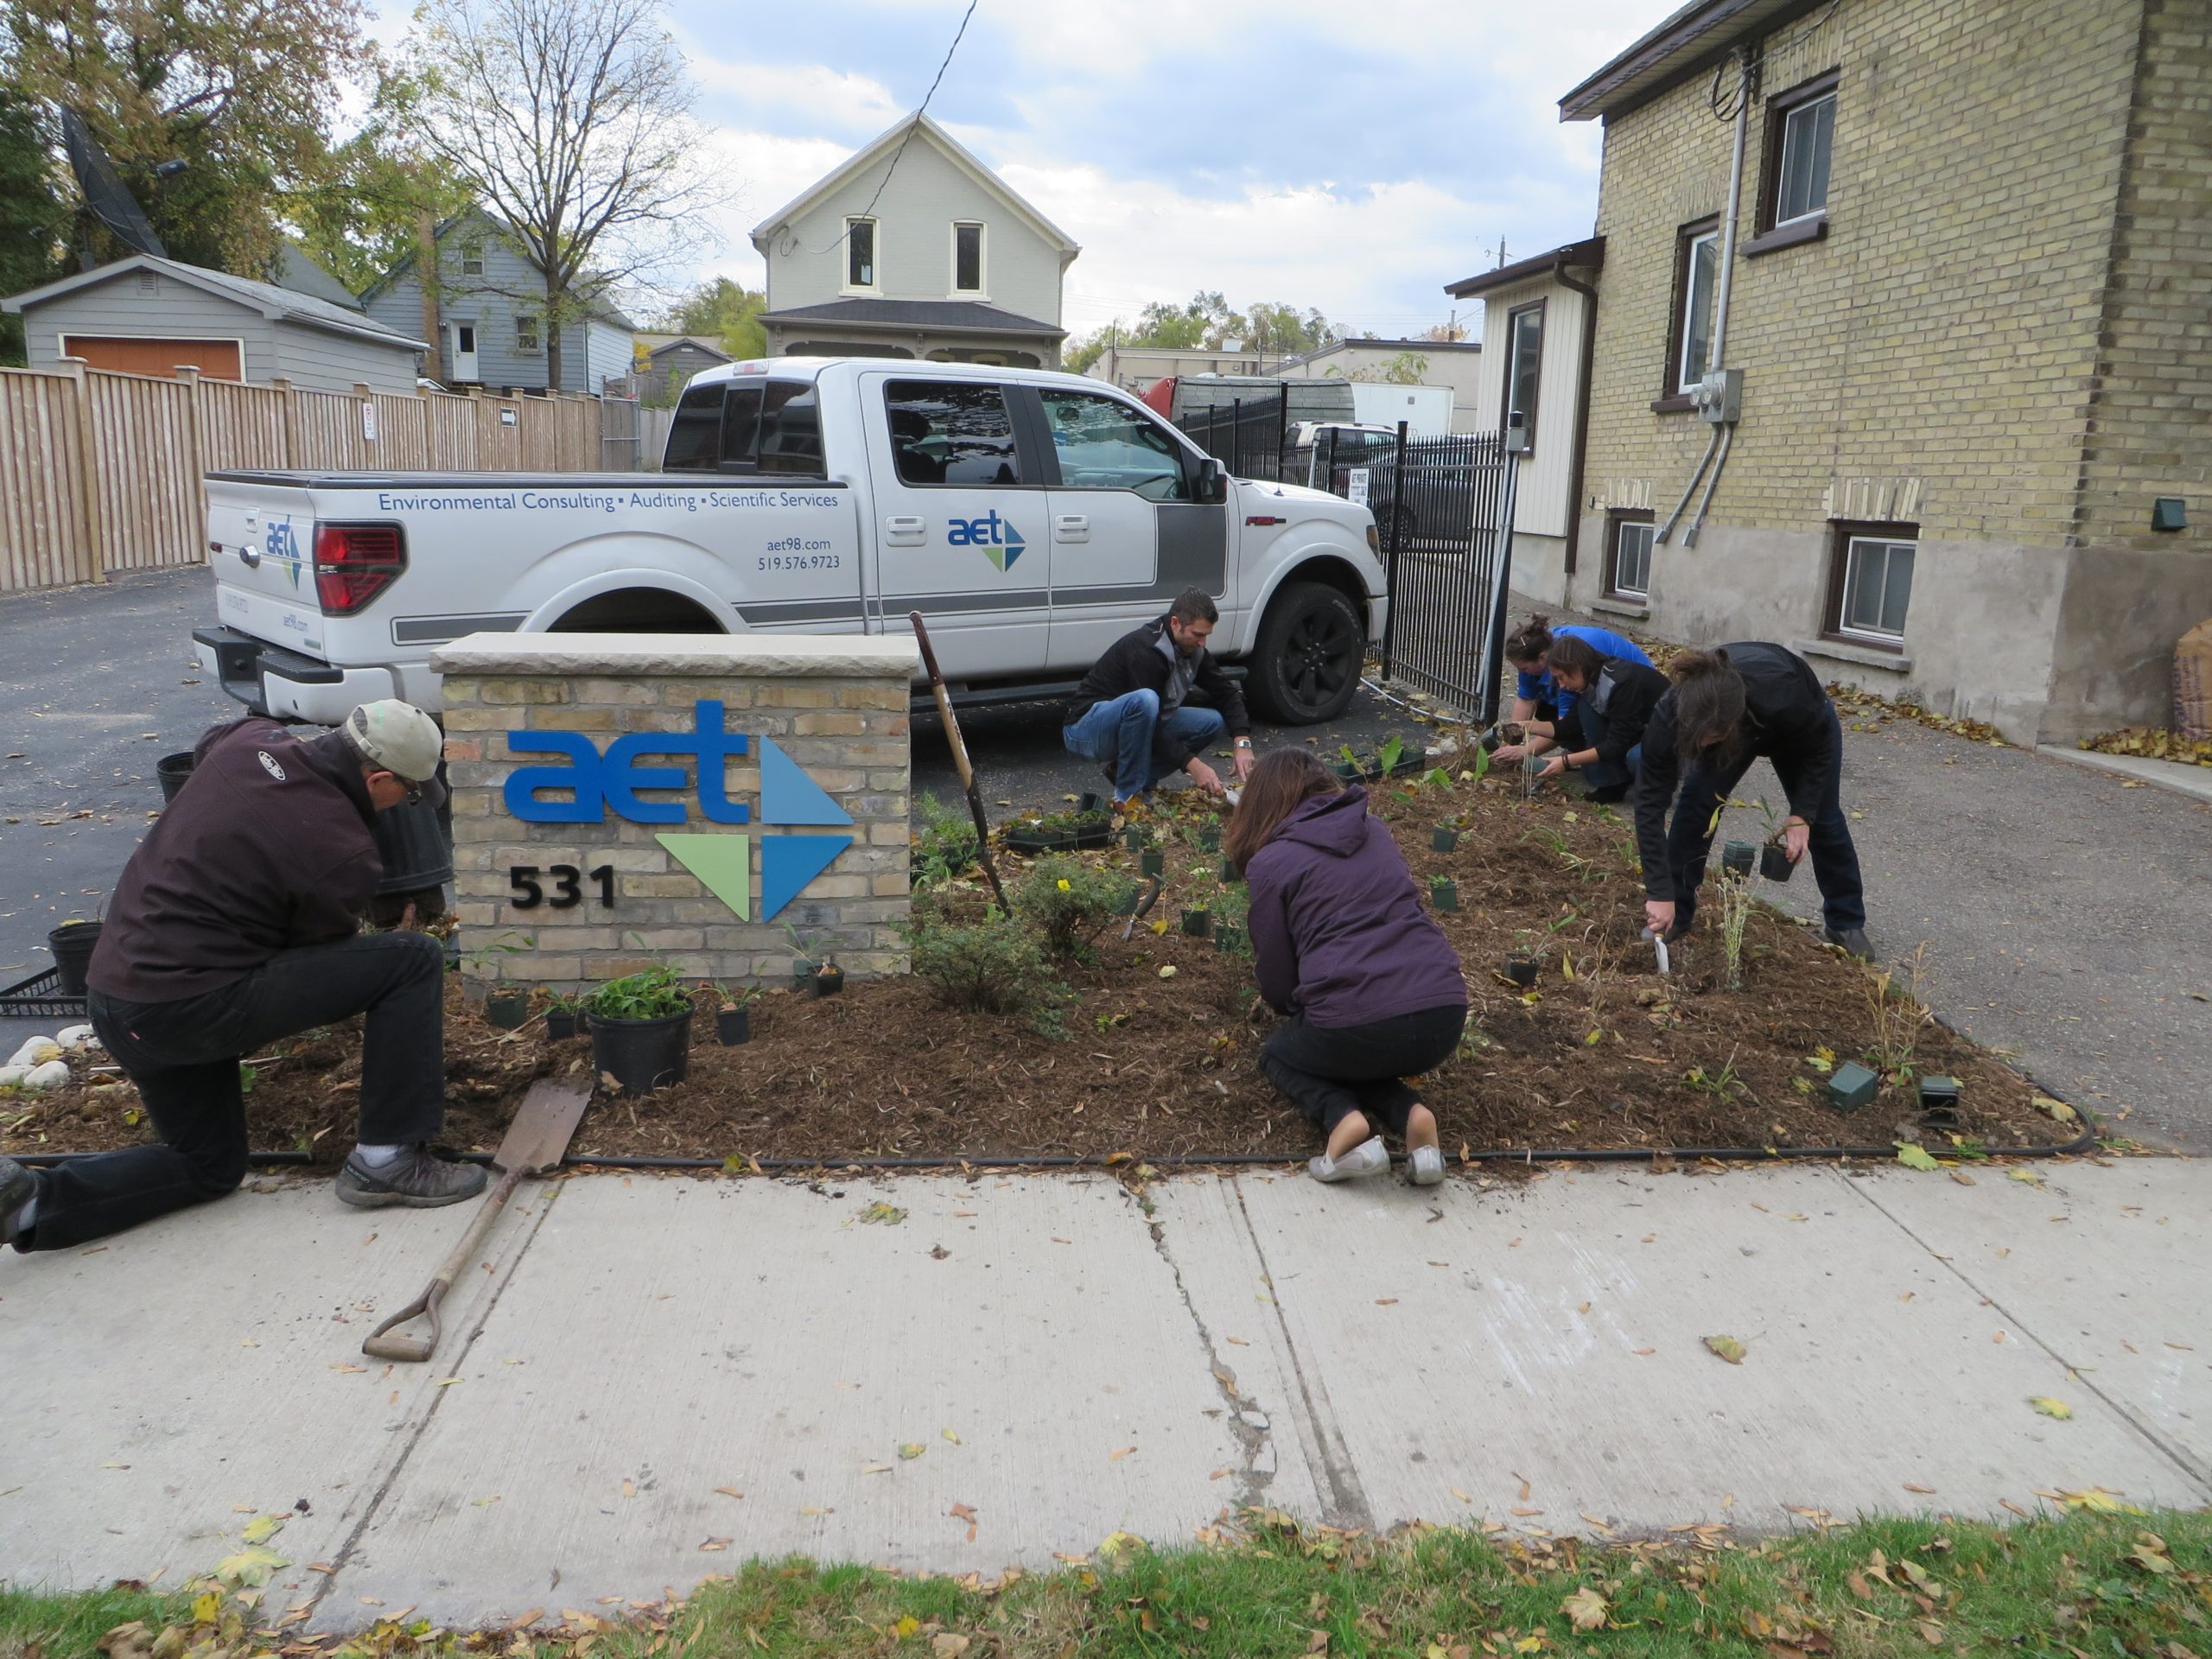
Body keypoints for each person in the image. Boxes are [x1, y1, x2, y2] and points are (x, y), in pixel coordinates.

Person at [0, 700, 488, 1256]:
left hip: (118, 996)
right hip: (190, 1007)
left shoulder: (249, 742)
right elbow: (314, 954)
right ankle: (388, 1158)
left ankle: (28, 1202)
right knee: (411, 960)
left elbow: (212, 740)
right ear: (378, 779)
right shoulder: (340, 853)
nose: (409, 803)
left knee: (208, 1166)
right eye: (411, 791)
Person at [1228, 749, 1467, 1186]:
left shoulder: (1272, 862)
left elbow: (1277, 976)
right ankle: (1413, 1118)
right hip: (1443, 1013)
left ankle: (1343, 1122)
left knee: (1282, 1054)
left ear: (1261, 801)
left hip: (1356, 1022)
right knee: (1356, 1052)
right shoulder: (1373, 830)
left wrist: (1291, 1008)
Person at [1635, 645, 1873, 958]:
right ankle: (1677, 910)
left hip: (1802, 731)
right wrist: (1659, 891)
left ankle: (1846, 920)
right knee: (1695, 806)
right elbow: (1649, 804)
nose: (1702, 745)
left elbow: (1820, 748)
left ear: (1731, 725)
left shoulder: (1785, 692)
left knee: (1824, 819)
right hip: (1729, 729)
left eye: (1711, 738)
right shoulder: (1670, 713)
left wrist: (1802, 814)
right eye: (1698, 738)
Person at [1064, 588, 1255, 810]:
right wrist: (1193, 764)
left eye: (1206, 635)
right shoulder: (1147, 650)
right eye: (1198, 634)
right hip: (1084, 730)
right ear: (1175, 623)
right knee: (1145, 701)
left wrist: (1242, 742)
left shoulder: (1193, 649)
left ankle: (1135, 778)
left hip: (1133, 724)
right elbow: (1149, 724)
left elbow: (1226, 692)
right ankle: (1127, 798)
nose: (1203, 643)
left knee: (1211, 722)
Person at [1493, 614, 1652, 766]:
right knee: (1544, 708)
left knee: (1588, 718)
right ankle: (1582, 747)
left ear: (1542, 658)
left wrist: (1526, 752)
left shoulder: (1567, 663)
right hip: (1603, 690)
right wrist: (1510, 742)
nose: (1523, 673)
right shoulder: (1535, 651)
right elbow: (1526, 700)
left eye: (1524, 668)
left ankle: (1599, 757)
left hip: (1633, 699)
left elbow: (1566, 726)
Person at [1532, 633, 1672, 803]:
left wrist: (1566, 761)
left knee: (1636, 758)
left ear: (1576, 667)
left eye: (1562, 677)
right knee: (1586, 708)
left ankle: (1659, 784)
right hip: (1640, 729)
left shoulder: (1620, 682)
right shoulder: (1590, 680)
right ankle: (1611, 784)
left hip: (1670, 737)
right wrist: (1526, 726)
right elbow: (1568, 727)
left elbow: (1617, 744)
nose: (1562, 686)